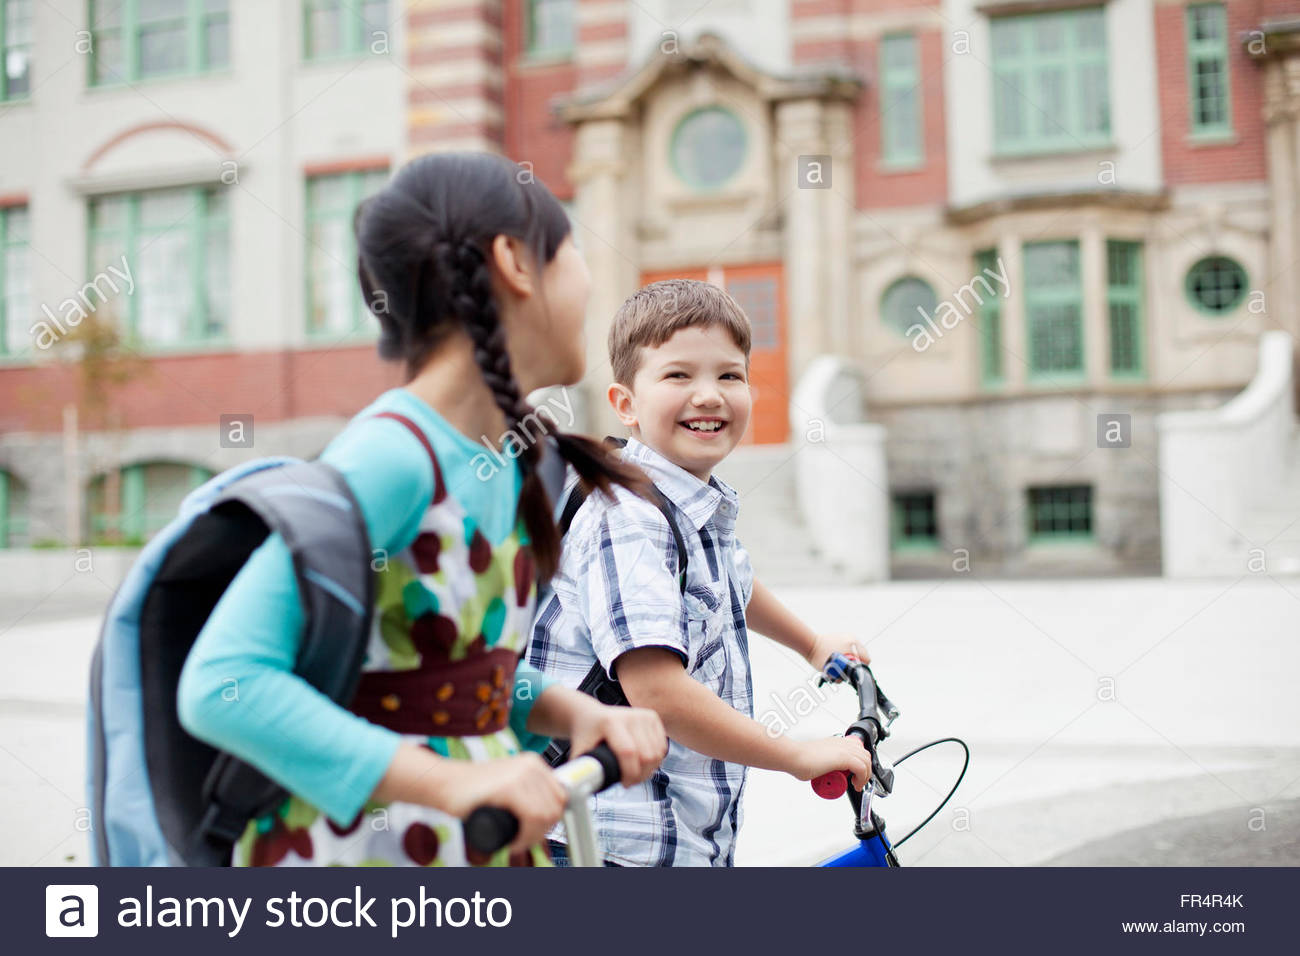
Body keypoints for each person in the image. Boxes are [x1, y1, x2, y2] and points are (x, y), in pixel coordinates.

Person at [176, 152, 667, 867]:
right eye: (573, 253)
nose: (590, 282)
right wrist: (452, 785)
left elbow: (446, 674)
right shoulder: (391, 456)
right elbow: (223, 685)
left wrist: (574, 711)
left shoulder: (508, 458)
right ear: (515, 263)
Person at [527, 279, 871, 867]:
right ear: (626, 403)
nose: (708, 395)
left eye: (729, 376)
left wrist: (811, 644)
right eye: (678, 376)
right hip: (606, 843)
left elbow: (733, 582)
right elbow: (656, 692)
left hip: (676, 833)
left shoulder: (693, 502)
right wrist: (795, 756)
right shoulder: (631, 517)